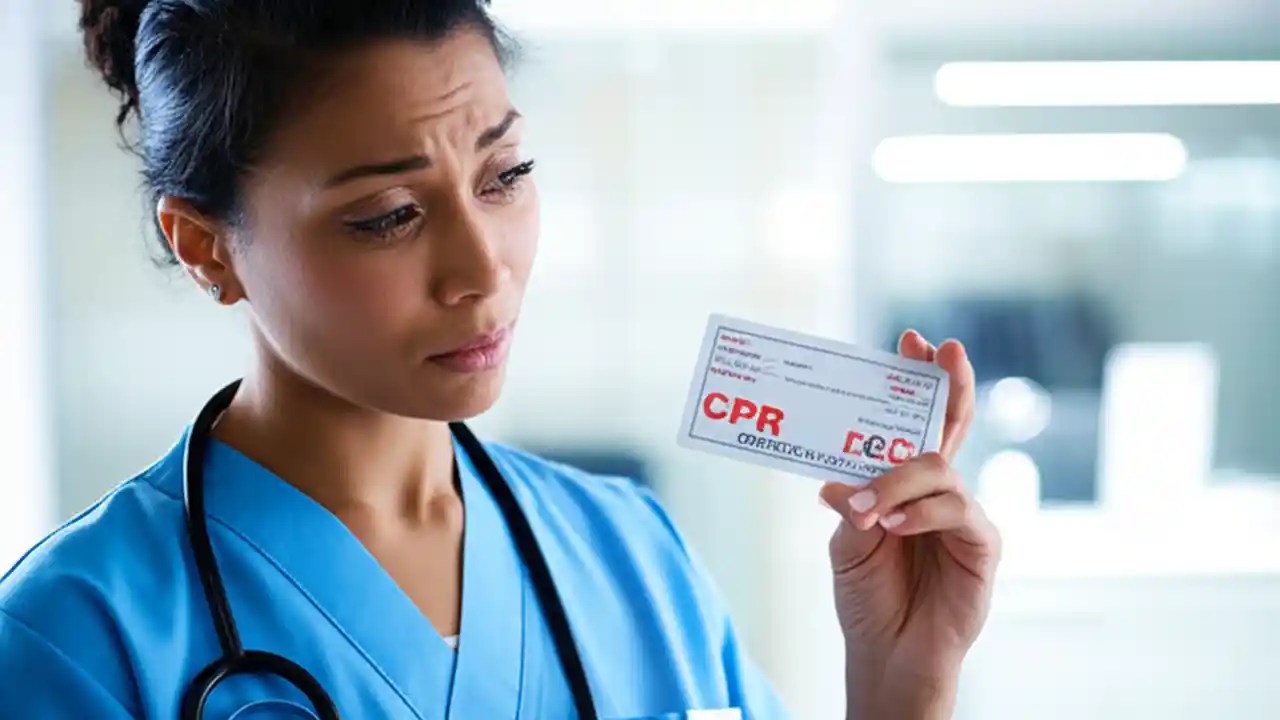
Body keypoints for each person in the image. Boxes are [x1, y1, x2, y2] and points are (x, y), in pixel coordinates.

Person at [0, 1, 1001, 717]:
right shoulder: (75, 636)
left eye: (505, 174)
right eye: (387, 216)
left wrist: (902, 682)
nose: (484, 269)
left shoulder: (630, 557)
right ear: (207, 246)